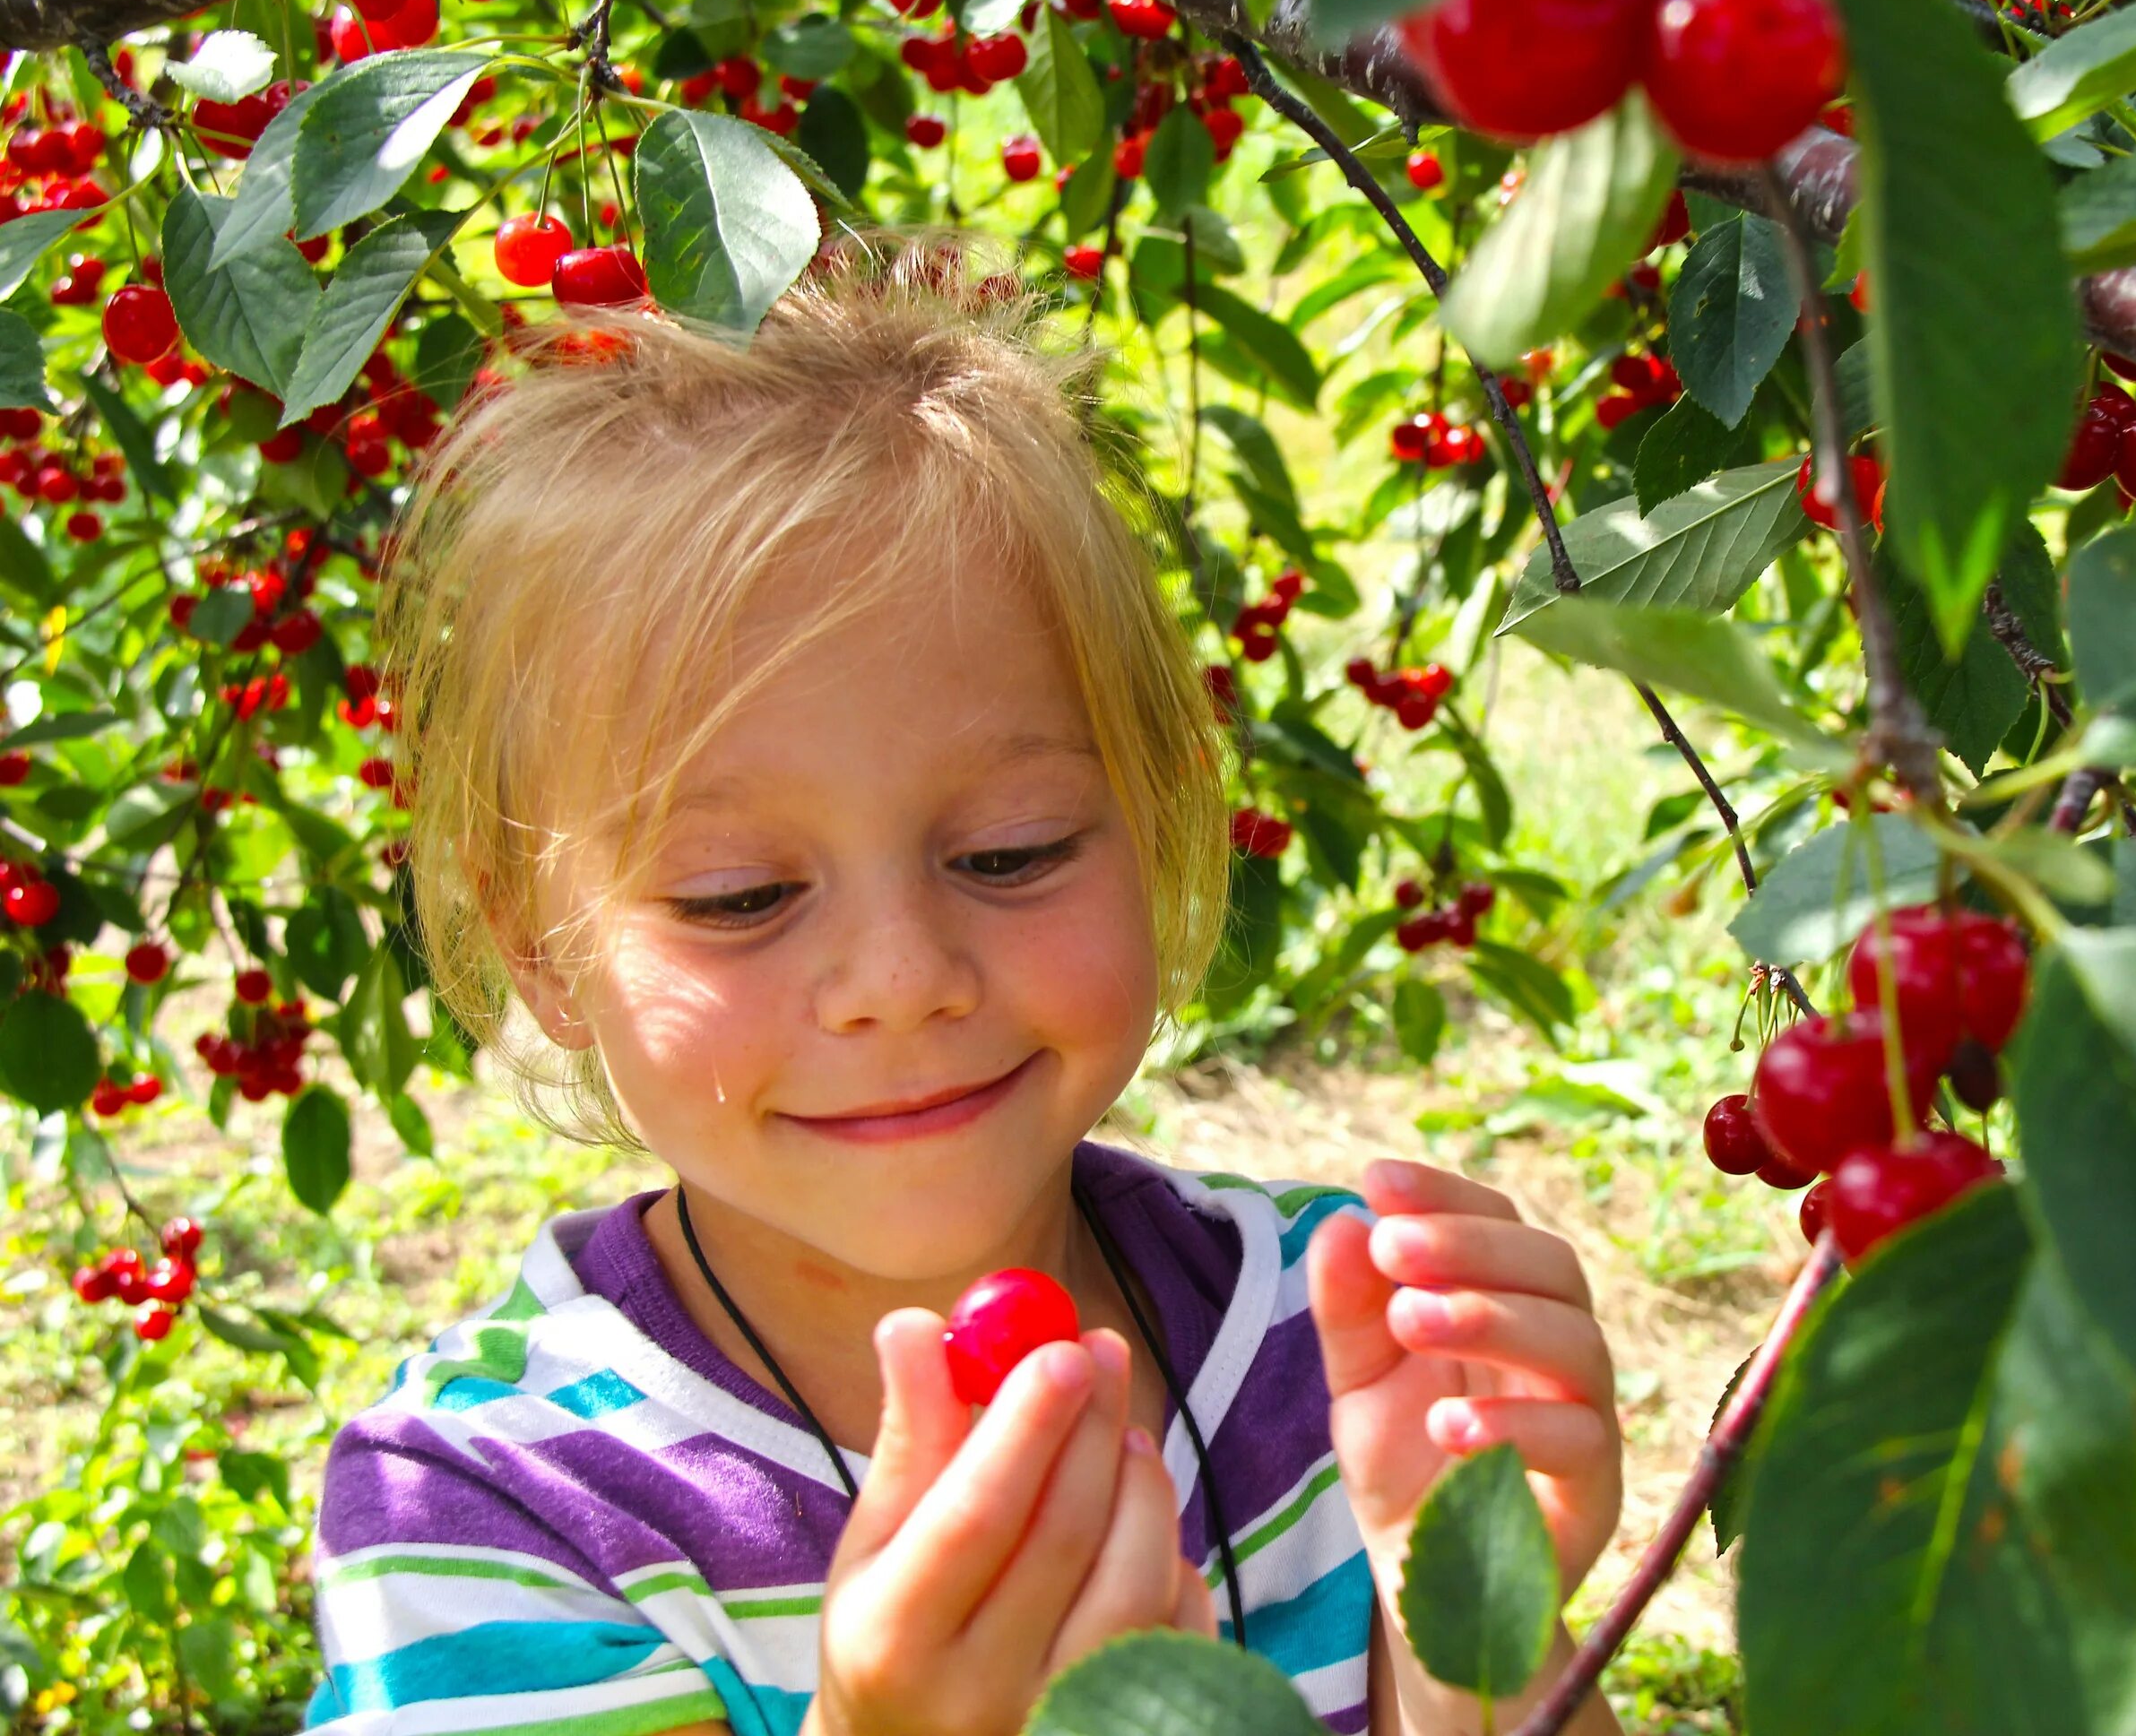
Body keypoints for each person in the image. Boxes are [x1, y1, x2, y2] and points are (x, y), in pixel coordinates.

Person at [304, 235, 1625, 1736]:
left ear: (1158, 821)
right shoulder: (500, 1516)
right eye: (739, 897)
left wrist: (1475, 1653)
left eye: (1013, 852)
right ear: (543, 953)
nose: (903, 982)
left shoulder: (1332, 1355)